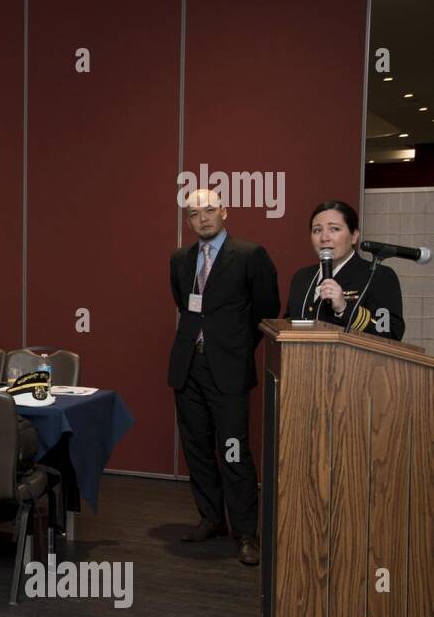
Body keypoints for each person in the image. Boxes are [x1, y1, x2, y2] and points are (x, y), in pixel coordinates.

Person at [168, 189, 280, 566]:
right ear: (188, 221)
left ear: (225, 212)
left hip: (228, 370)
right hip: (188, 367)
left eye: (210, 210)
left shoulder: (250, 255)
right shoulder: (180, 259)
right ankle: (211, 518)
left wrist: (235, 350)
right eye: (194, 213)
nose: (203, 217)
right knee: (197, 448)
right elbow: (184, 304)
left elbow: (266, 310)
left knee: (233, 451)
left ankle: (246, 533)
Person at [284, 200, 405, 341]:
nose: (324, 238)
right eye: (317, 230)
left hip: (352, 362)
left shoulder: (378, 276)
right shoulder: (302, 277)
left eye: (334, 229)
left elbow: (390, 333)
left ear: (354, 236)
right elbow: (287, 325)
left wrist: (344, 308)